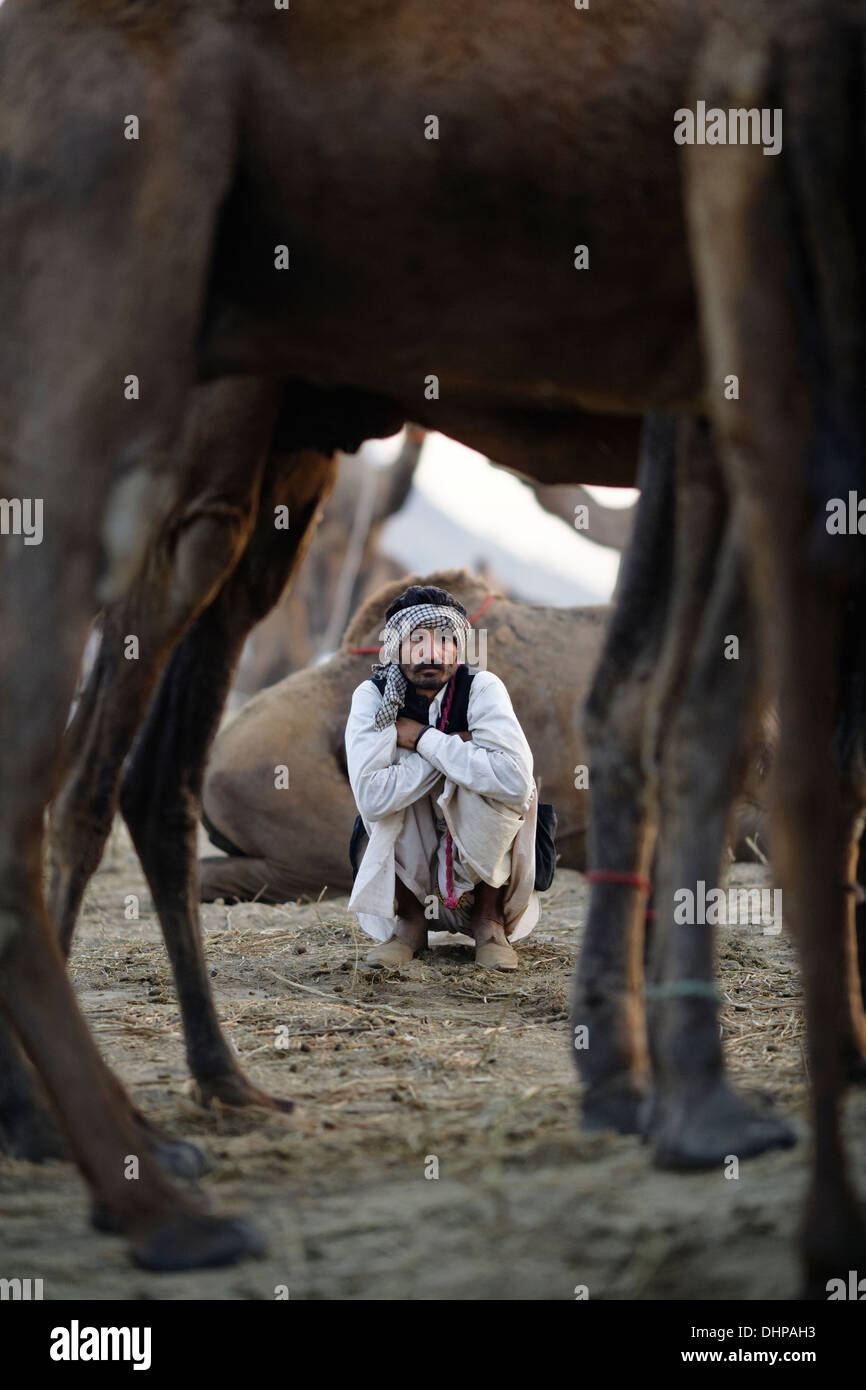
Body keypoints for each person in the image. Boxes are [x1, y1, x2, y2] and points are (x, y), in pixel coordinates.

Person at [344, 584, 539, 970]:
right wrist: (454, 749)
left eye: (445, 640)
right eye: (416, 641)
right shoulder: (372, 696)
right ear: (396, 647)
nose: (430, 653)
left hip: (479, 866)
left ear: (460, 648)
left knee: (494, 780)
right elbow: (372, 796)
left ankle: (489, 923)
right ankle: (409, 926)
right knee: (463, 765)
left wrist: (421, 739)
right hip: (411, 854)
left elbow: (516, 781)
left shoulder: (482, 688)